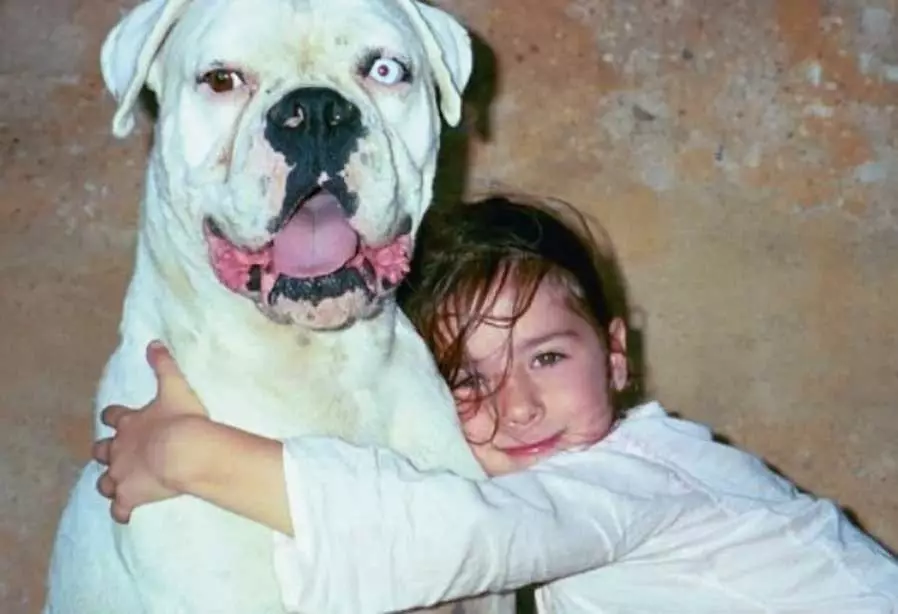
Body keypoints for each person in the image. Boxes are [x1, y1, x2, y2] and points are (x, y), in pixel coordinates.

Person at [92, 195, 898, 613]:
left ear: (615, 354)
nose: (517, 407)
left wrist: (186, 453)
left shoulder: (639, 480)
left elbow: (458, 533)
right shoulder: (581, 507)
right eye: (468, 382)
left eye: (546, 356)